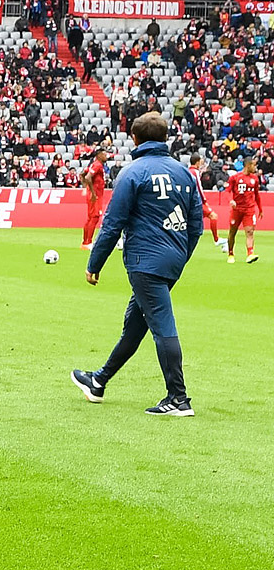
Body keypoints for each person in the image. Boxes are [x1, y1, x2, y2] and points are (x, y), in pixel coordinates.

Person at [71, 112, 205, 416]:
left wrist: (95, 263)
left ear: (135, 139)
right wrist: (181, 255)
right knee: (135, 325)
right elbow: (196, 225)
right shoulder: (183, 173)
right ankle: (98, 381)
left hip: (145, 261)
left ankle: (178, 398)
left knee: (162, 326)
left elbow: (112, 224)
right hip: (172, 260)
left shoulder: (133, 173)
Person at [224, 155, 261, 264]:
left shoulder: (255, 179)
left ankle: (250, 254)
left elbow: (257, 195)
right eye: (254, 165)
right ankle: (230, 253)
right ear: (248, 165)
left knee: (250, 232)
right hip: (237, 210)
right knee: (232, 232)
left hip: (249, 209)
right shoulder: (235, 178)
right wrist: (231, 200)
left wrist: (260, 209)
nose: (255, 168)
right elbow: (227, 191)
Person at [82, 146, 109, 250]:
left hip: (95, 194)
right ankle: (88, 242)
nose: (106, 156)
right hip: (95, 196)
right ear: (99, 155)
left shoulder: (95, 164)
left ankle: (85, 242)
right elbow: (88, 177)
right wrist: (92, 193)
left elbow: (83, 174)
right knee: (94, 217)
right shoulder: (97, 165)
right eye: (104, 154)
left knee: (91, 218)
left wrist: (86, 188)